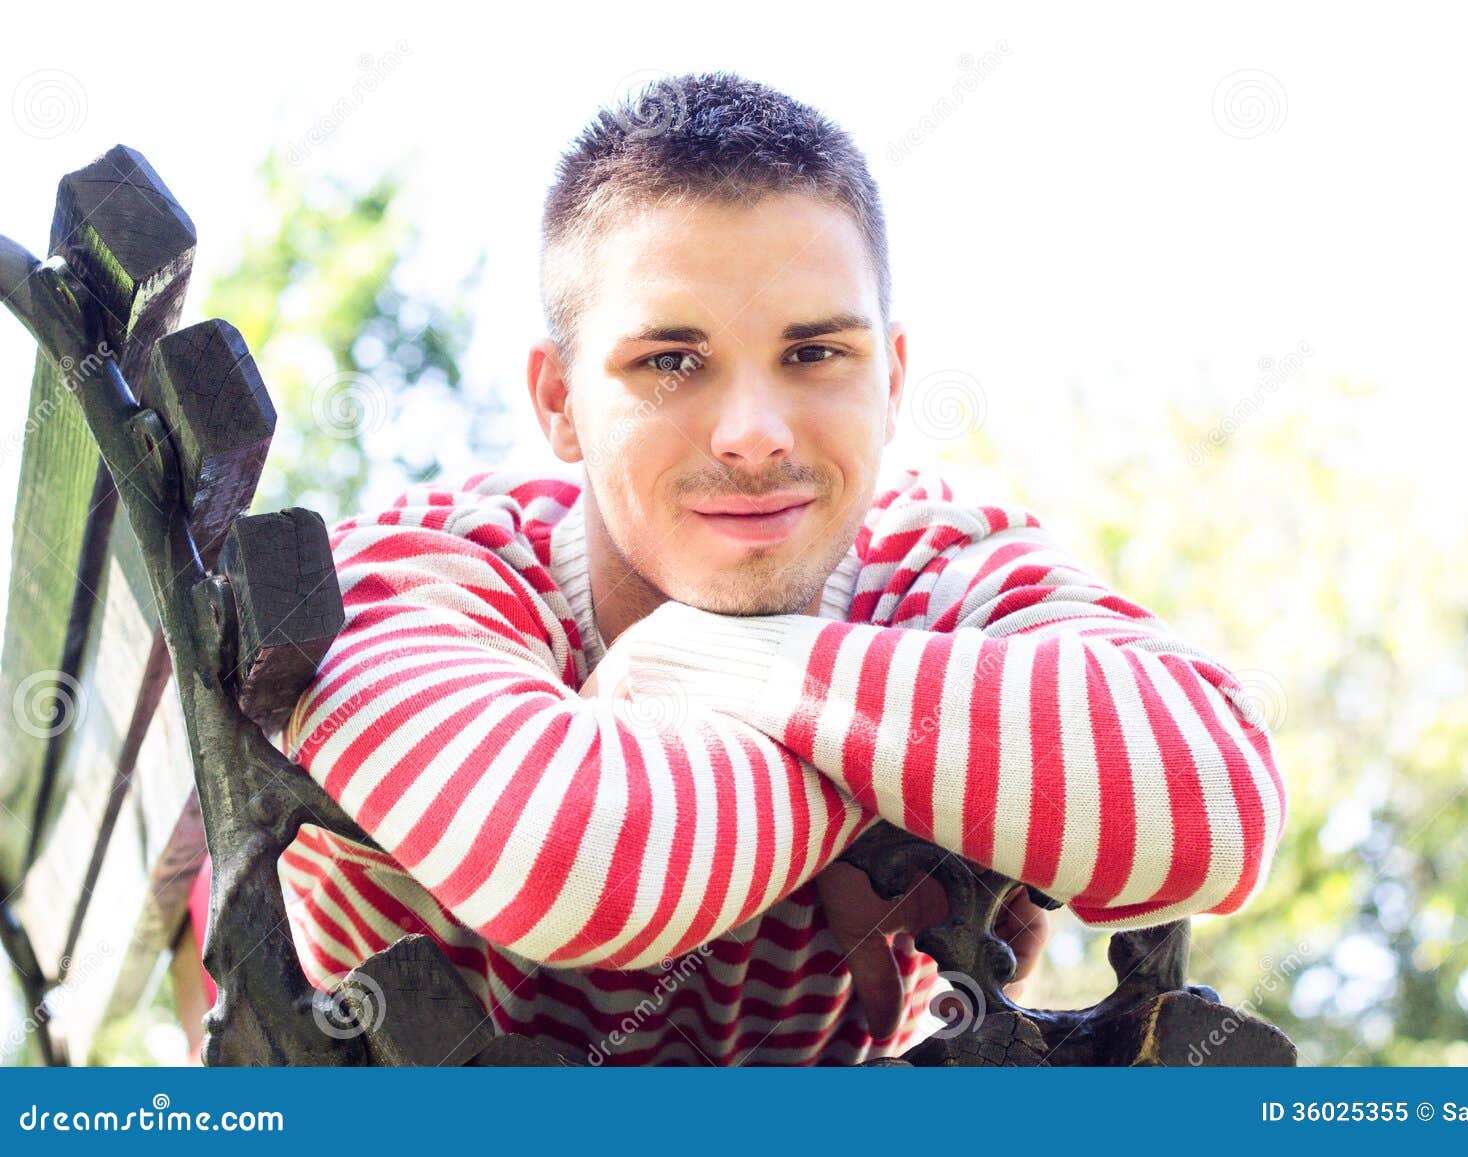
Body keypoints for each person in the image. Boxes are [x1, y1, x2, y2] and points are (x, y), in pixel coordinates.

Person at [186, 69, 1286, 1066]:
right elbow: (576, 860)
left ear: (891, 379)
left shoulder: (939, 564)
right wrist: (937, 776)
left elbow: (1217, 800)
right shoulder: (429, 575)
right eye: (671, 361)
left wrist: (725, 663)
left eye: (814, 352)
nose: (754, 432)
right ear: (559, 402)